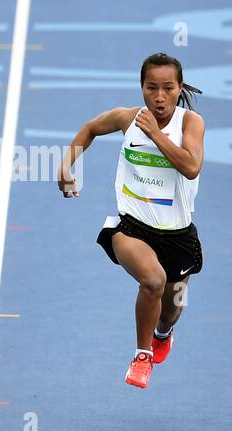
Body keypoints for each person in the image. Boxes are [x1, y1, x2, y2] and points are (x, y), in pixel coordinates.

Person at [58, 52, 205, 388]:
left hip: (178, 235)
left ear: (179, 88)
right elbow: (90, 128)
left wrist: (156, 134)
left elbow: (191, 166)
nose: (159, 96)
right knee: (152, 280)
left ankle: (163, 334)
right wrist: (67, 166)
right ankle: (142, 357)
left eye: (168, 88)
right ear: (141, 88)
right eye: (151, 87)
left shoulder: (191, 124)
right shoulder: (128, 119)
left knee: (171, 310)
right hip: (132, 228)